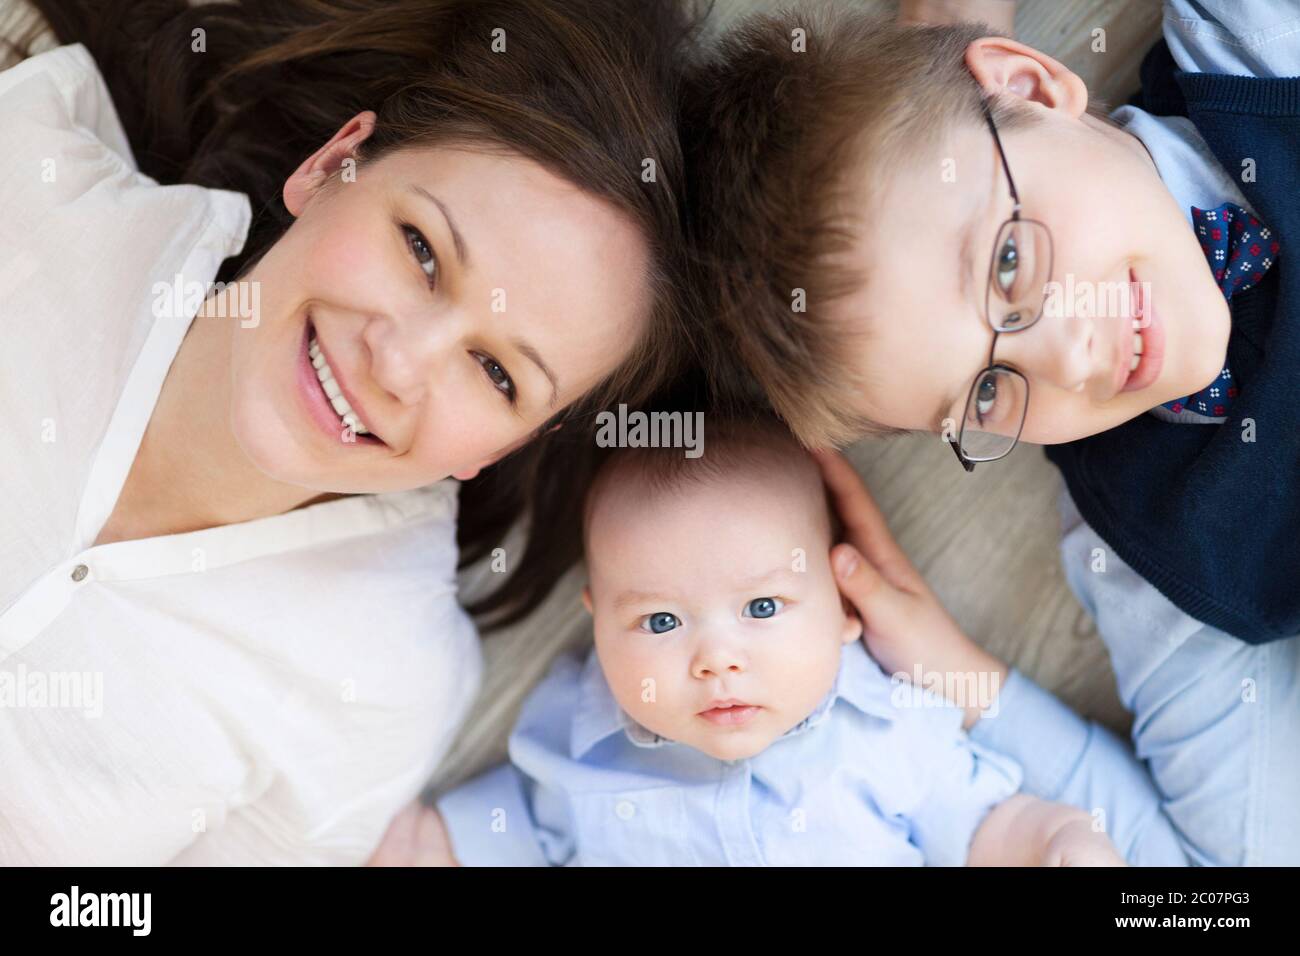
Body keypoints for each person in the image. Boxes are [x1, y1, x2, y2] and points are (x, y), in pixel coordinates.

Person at [0, 0, 699, 864]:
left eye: (496, 374)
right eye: (422, 249)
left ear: (505, 447)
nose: (399, 364)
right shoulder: (31, 178)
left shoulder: (381, 692)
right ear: (333, 163)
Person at [680, 0, 1300, 864]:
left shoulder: (1253, 56)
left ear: (1032, 85)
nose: (1068, 355)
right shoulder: (1149, 551)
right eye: (986, 394)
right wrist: (960, 677)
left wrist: (953, 22)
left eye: (1011, 262)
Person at [402, 422, 1140, 866]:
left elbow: (987, 830)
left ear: (844, 609)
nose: (717, 659)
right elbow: (491, 834)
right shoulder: (578, 741)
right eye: (660, 622)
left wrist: (1058, 841)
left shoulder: (889, 731)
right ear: (597, 624)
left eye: (762, 606)